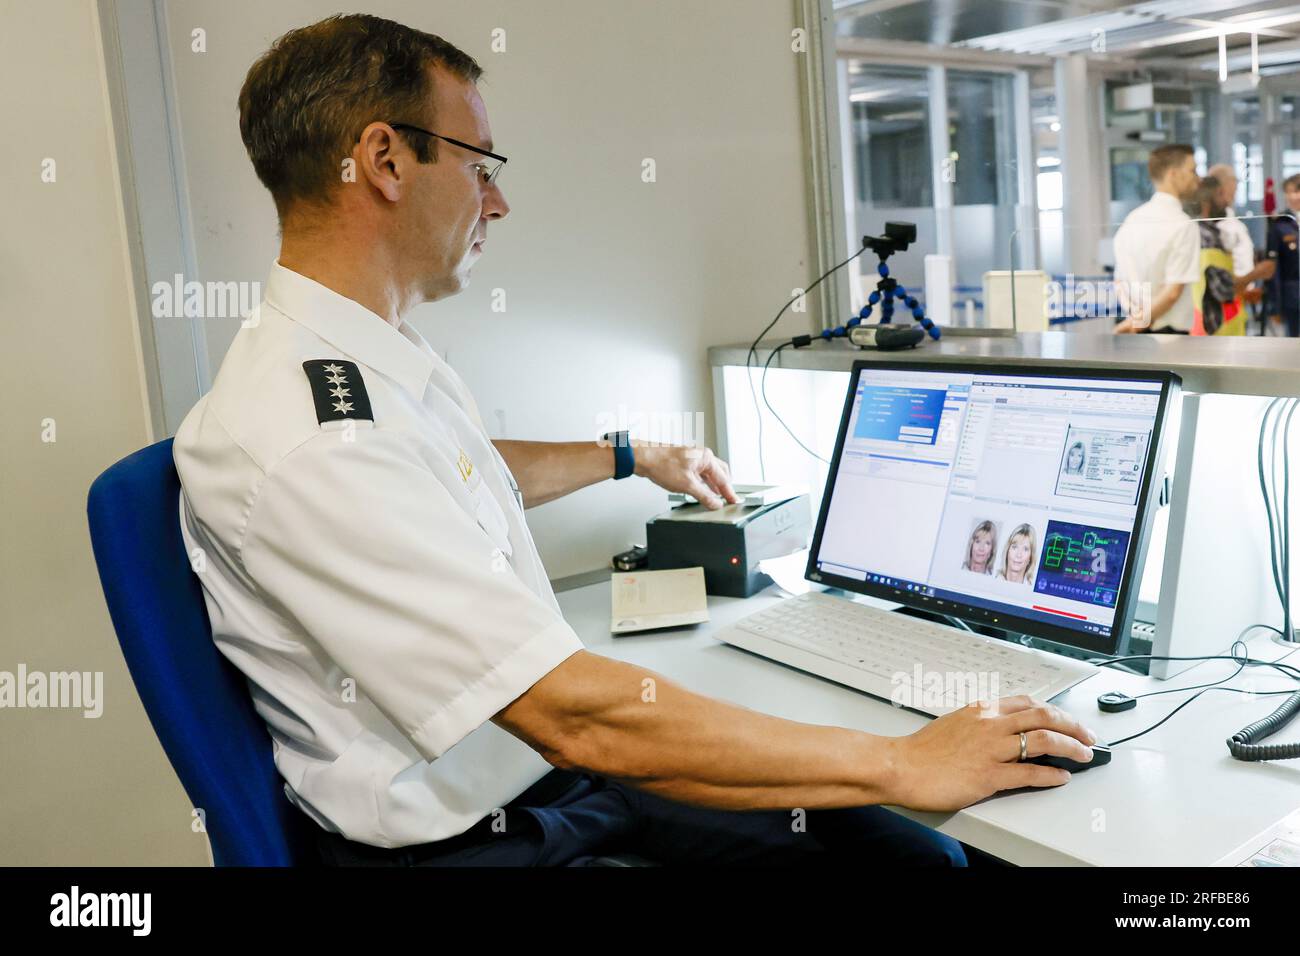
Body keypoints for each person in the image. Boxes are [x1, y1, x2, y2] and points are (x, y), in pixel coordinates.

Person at [173, 13, 1097, 868]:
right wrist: (904, 760)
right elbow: (578, 718)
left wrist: (631, 457)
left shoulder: (358, 359)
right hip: (471, 840)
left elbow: (465, 477)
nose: (495, 204)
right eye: (480, 165)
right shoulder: (312, 435)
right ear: (383, 159)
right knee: (899, 838)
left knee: (903, 852)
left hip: (540, 779)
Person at [1112, 144, 1202, 334]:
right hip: (1166, 336)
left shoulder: (1131, 220)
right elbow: (1172, 293)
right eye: (1193, 170)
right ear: (1173, 174)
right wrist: (1141, 322)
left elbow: (1119, 283)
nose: (1198, 178)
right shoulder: (1183, 225)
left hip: (1131, 327)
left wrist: (1134, 319)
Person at [1266, 174, 1300, 337]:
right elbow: (1274, 269)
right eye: (1288, 192)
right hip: (1293, 298)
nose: (1292, 196)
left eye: (1296, 191)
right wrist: (1275, 305)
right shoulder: (1281, 225)